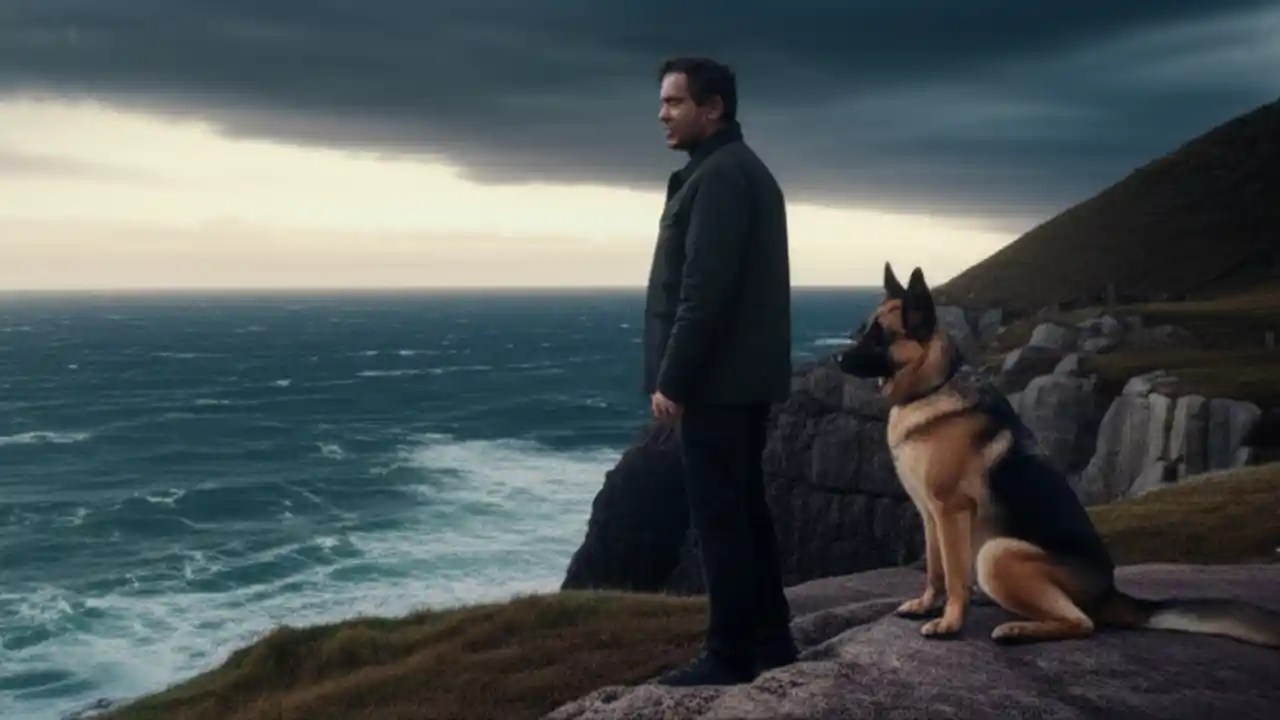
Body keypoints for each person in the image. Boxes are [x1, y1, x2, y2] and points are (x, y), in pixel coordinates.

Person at [643, 56, 798, 686]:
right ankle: (772, 640)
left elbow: (703, 293)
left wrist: (673, 380)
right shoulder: (723, 171)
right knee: (745, 510)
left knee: (721, 521)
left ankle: (729, 655)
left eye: (675, 103)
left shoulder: (724, 177)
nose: (662, 114)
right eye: (663, 102)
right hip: (734, 381)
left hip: (717, 385)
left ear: (714, 109)